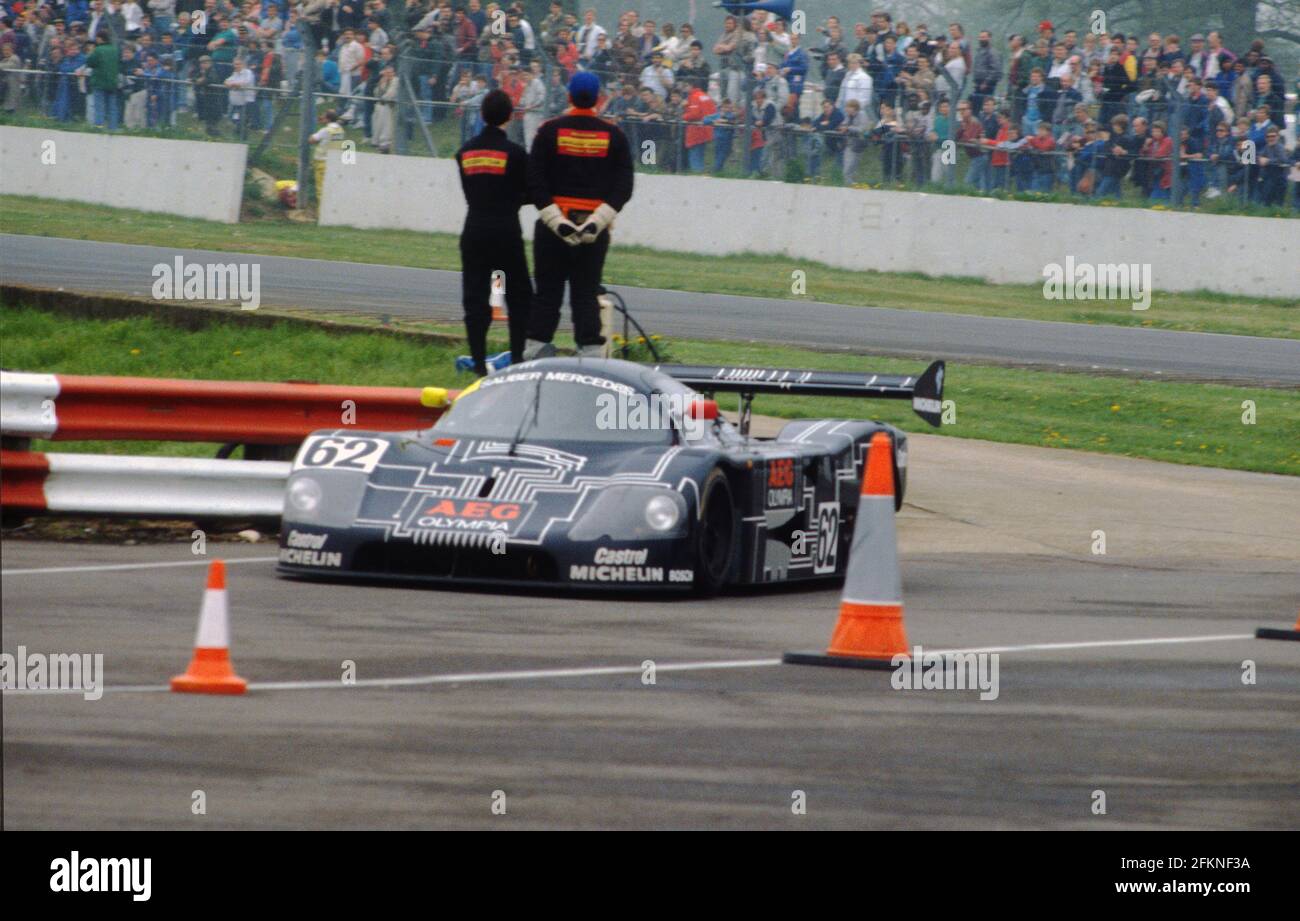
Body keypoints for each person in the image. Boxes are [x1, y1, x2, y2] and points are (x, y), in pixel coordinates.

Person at [524, 71, 633, 360]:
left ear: (569, 96)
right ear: (599, 99)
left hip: (552, 228)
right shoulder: (614, 135)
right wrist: (596, 222)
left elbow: (534, 180)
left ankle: (534, 354)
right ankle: (592, 359)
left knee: (547, 294)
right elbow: (624, 186)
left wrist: (556, 221)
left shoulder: (548, 130)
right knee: (585, 295)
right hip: (594, 231)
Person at [455, 88, 532, 374]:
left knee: (475, 297)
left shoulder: (465, 153)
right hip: (506, 230)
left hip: (474, 228)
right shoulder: (516, 154)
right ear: (510, 117)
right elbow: (531, 192)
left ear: (481, 115)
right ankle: (517, 362)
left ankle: (477, 362)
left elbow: (469, 191)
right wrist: (512, 200)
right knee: (519, 297)